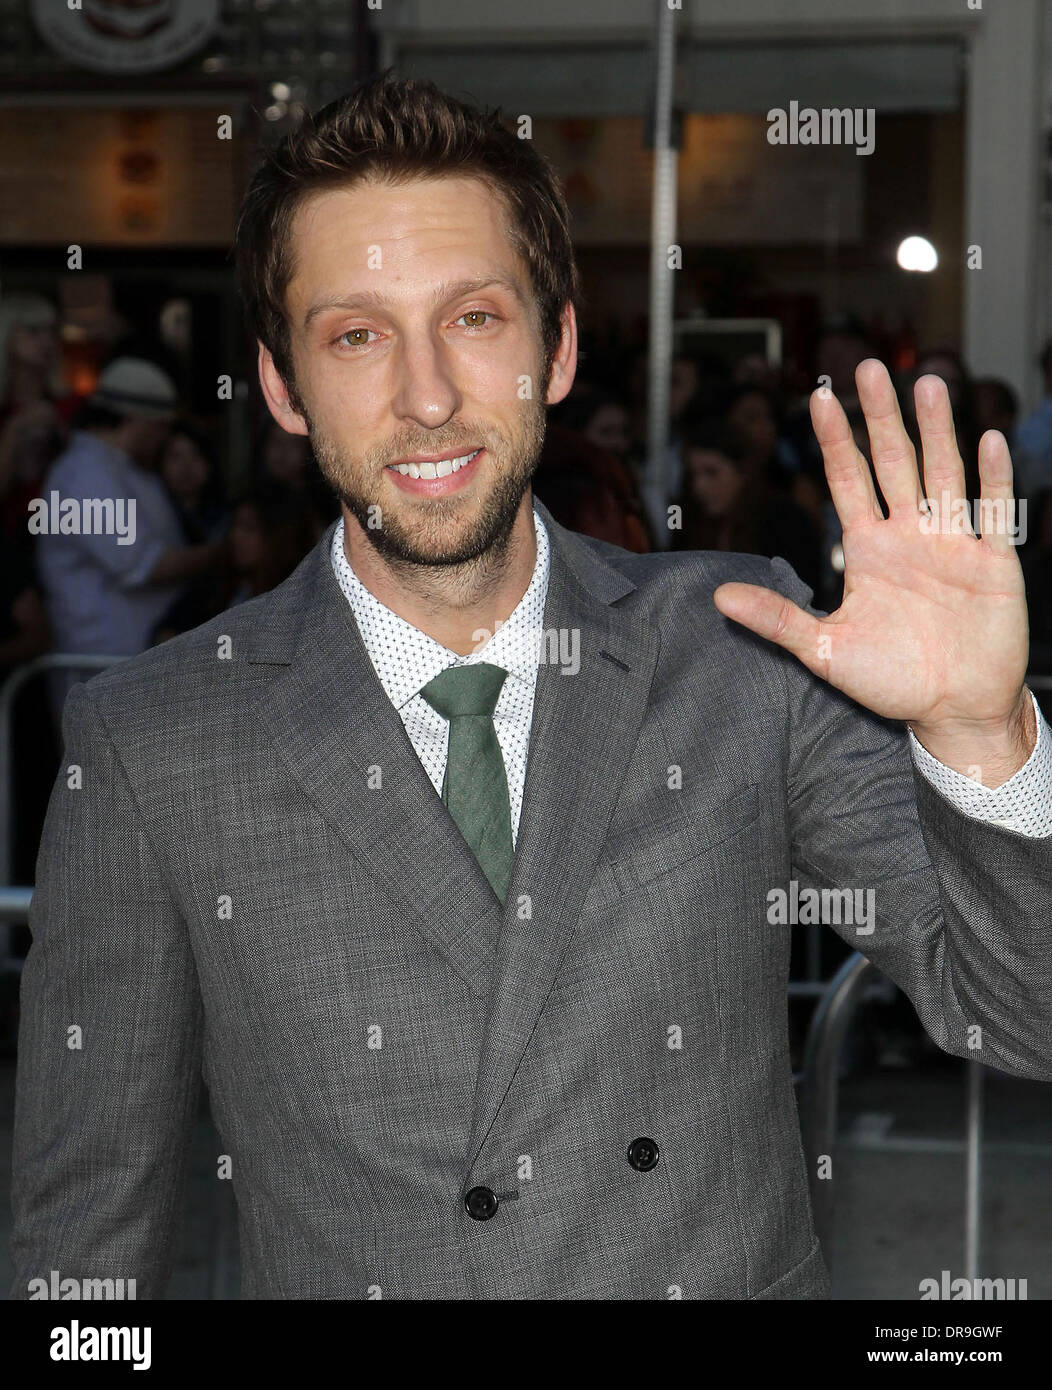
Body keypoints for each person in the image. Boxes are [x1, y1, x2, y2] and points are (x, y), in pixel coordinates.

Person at [10, 71, 1051, 1303]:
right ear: (282, 387)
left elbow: (1018, 1018)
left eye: (474, 318)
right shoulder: (153, 740)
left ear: (555, 348)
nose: (427, 396)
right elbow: (83, 1248)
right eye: (356, 333)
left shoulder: (740, 645)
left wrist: (980, 734)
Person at [33, 357, 227, 722]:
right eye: (161, 429)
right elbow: (143, 566)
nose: (163, 440)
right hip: (100, 669)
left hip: (135, 666)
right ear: (139, 421)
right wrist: (222, 552)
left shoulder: (126, 470)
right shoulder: (84, 475)